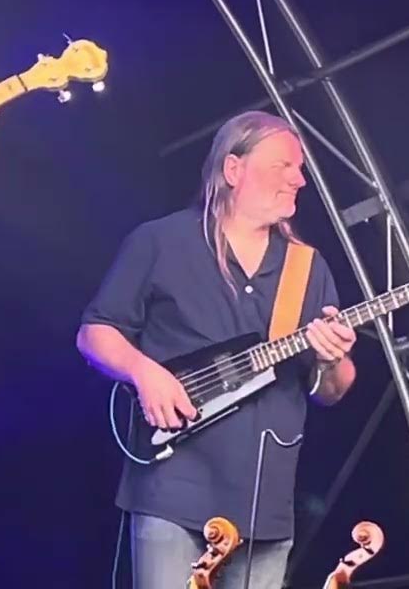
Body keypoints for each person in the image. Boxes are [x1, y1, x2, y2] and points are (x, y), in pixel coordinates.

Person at [75, 110, 358, 589]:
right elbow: (94, 332)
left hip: (263, 504)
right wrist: (146, 373)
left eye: (301, 168)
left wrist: (333, 358)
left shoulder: (306, 267)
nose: (300, 179)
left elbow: (331, 390)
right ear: (233, 170)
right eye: (283, 166)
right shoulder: (161, 241)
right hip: (173, 489)